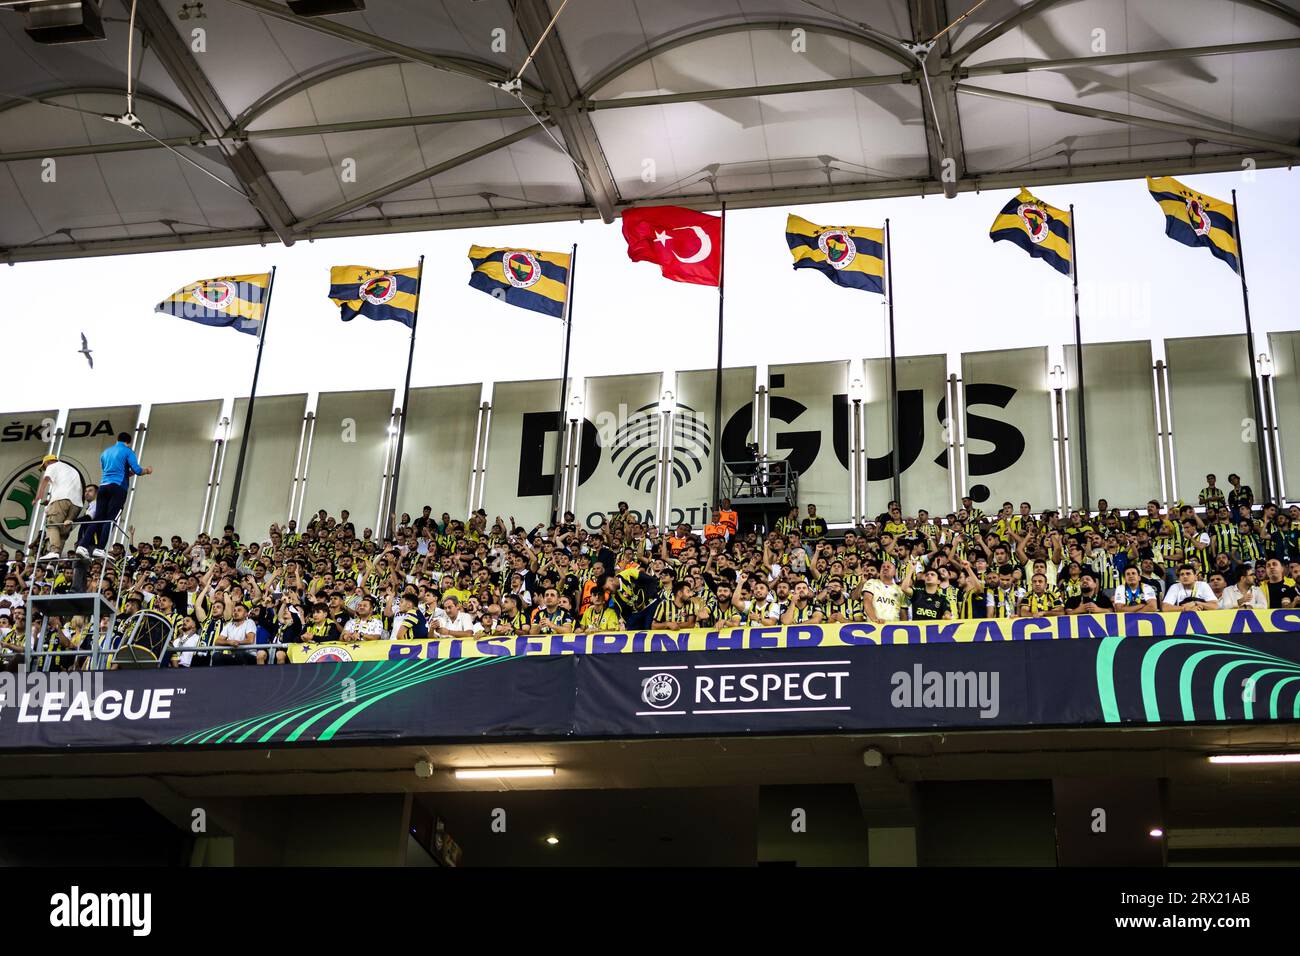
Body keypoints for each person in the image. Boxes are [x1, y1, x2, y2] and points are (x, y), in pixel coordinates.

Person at [80, 432, 151, 559]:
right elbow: (138, 470)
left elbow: (111, 470)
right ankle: (100, 548)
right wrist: (147, 471)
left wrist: (128, 474)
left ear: (117, 439)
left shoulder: (105, 452)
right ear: (129, 442)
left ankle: (82, 545)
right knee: (111, 519)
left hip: (103, 487)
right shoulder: (128, 451)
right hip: (118, 488)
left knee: (98, 518)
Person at [35, 454, 84, 560]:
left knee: (52, 524)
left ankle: (54, 551)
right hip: (76, 503)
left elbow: (46, 479)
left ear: (48, 462)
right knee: (63, 531)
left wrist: (39, 494)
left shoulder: (52, 466)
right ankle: (54, 561)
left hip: (61, 499)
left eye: (44, 467)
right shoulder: (71, 469)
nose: (45, 469)